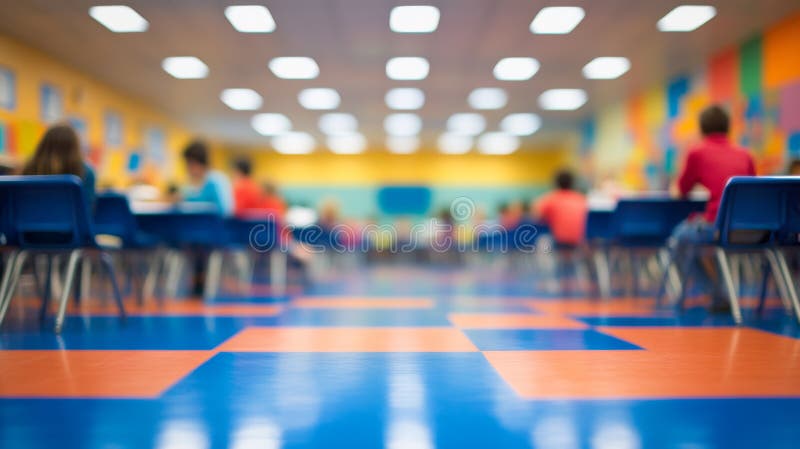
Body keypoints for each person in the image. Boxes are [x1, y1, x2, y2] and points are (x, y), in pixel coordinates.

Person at [670, 105, 756, 310]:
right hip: (751, 228)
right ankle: (720, 293)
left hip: (716, 226)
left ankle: (717, 294)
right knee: (703, 240)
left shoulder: (697, 153)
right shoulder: (745, 154)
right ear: (728, 128)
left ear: (702, 129)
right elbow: (752, 190)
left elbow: (681, 190)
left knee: (679, 239)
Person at [23, 124, 96, 208]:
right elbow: (87, 211)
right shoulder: (87, 172)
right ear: (75, 149)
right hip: (69, 221)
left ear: (44, 146)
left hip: (29, 220)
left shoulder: (28, 167)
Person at [533, 170, 587, 246]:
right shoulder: (581, 199)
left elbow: (538, 217)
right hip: (578, 240)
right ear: (572, 183)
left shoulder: (551, 198)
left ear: (556, 183)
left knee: (542, 240)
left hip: (558, 240)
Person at [179, 140, 233, 215]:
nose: (188, 168)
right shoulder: (190, 183)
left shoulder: (217, 180)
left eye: (190, 164)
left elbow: (226, 211)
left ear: (200, 163)